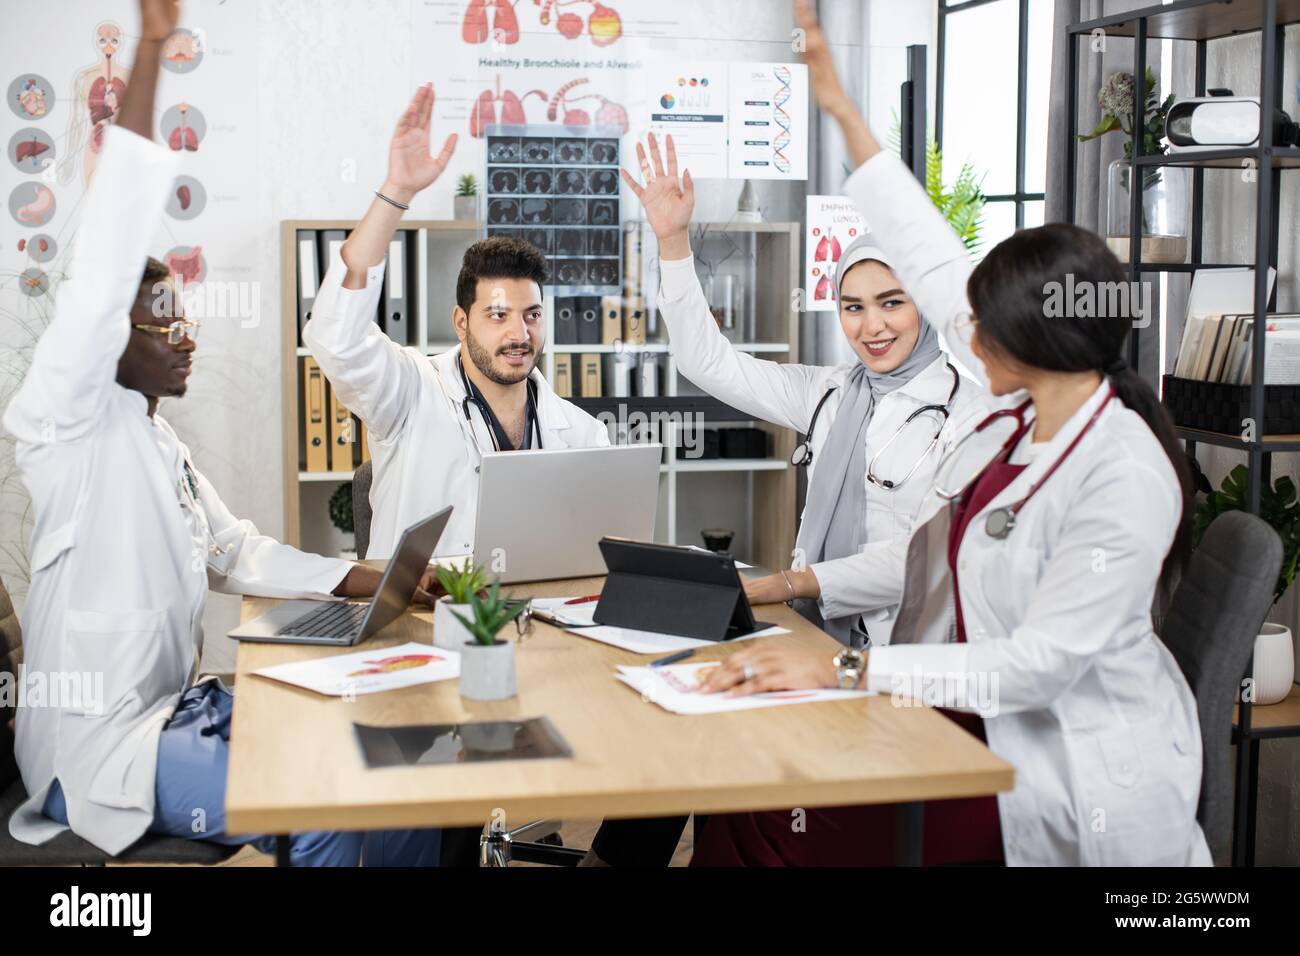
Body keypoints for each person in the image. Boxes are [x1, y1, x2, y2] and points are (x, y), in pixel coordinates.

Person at [689, 0, 1210, 867]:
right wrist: (841, 109)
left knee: (783, 816)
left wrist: (847, 671)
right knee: (744, 796)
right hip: (958, 714)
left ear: (1033, 341)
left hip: (1056, 767)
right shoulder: (1020, 417)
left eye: (982, 322)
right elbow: (927, 253)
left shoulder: (1122, 470)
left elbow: (1037, 668)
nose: (962, 330)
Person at [4, 0, 439, 866]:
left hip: (176, 711)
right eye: (163, 320)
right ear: (108, 342)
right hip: (97, 754)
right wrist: (152, 49)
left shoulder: (157, 442)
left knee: (388, 757)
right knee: (324, 799)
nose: (188, 334)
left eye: (184, 317)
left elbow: (233, 551)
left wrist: (371, 578)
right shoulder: (65, 426)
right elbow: (101, 269)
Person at [302, 84, 610, 561]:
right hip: (418, 624)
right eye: (498, 315)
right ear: (461, 322)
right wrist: (398, 191)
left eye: (532, 315)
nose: (520, 334)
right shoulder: (406, 394)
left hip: (535, 620)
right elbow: (337, 339)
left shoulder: (585, 435)